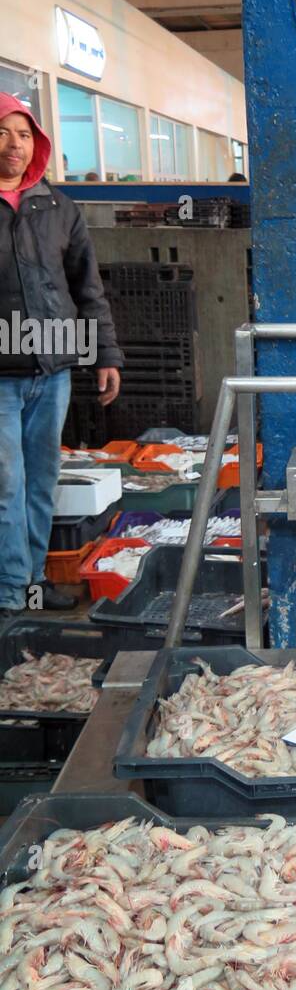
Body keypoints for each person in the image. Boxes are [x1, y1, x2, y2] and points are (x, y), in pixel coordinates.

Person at [0, 94, 123, 618]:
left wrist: (105, 355)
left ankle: (28, 581)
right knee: (7, 484)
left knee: (40, 480)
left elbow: (86, 288)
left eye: (24, 135)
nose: (14, 146)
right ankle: (10, 593)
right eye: (3, 133)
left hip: (51, 370)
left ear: (39, 145)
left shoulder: (58, 207)